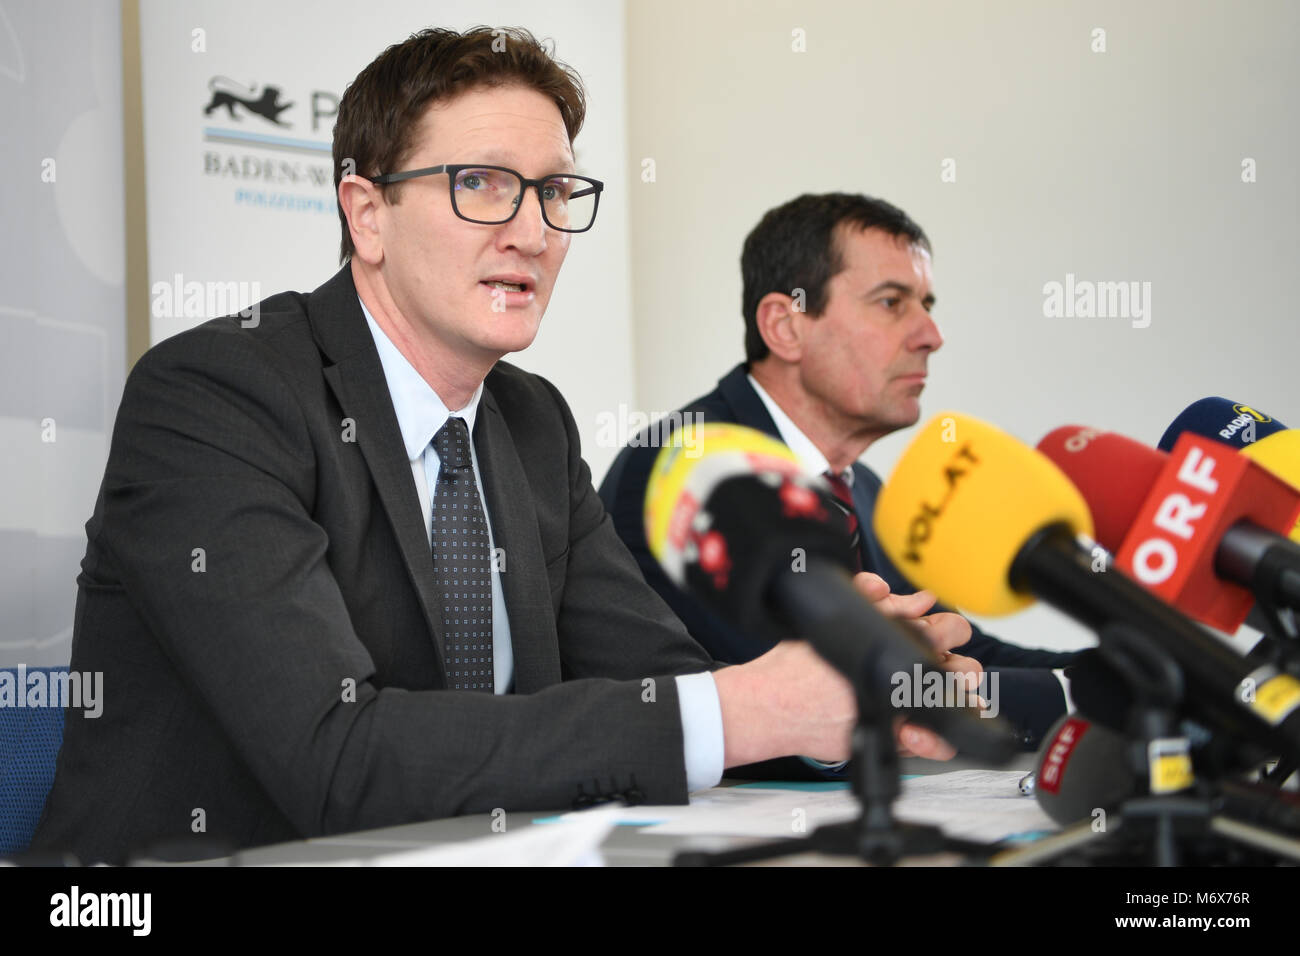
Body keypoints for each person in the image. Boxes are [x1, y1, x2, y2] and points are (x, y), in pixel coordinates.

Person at [29, 30, 956, 865]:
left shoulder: (532, 422)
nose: (533, 231)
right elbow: (336, 760)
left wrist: (828, 693)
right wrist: (746, 709)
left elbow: (661, 692)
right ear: (368, 214)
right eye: (479, 183)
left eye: (555, 191)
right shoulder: (215, 394)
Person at [600, 193, 1078, 751]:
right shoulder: (694, 469)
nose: (931, 334)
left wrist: (1127, 676)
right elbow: (803, 694)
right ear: (785, 326)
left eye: (927, 303)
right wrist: (1059, 699)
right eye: (892, 302)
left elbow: (964, 655)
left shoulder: (867, 490)